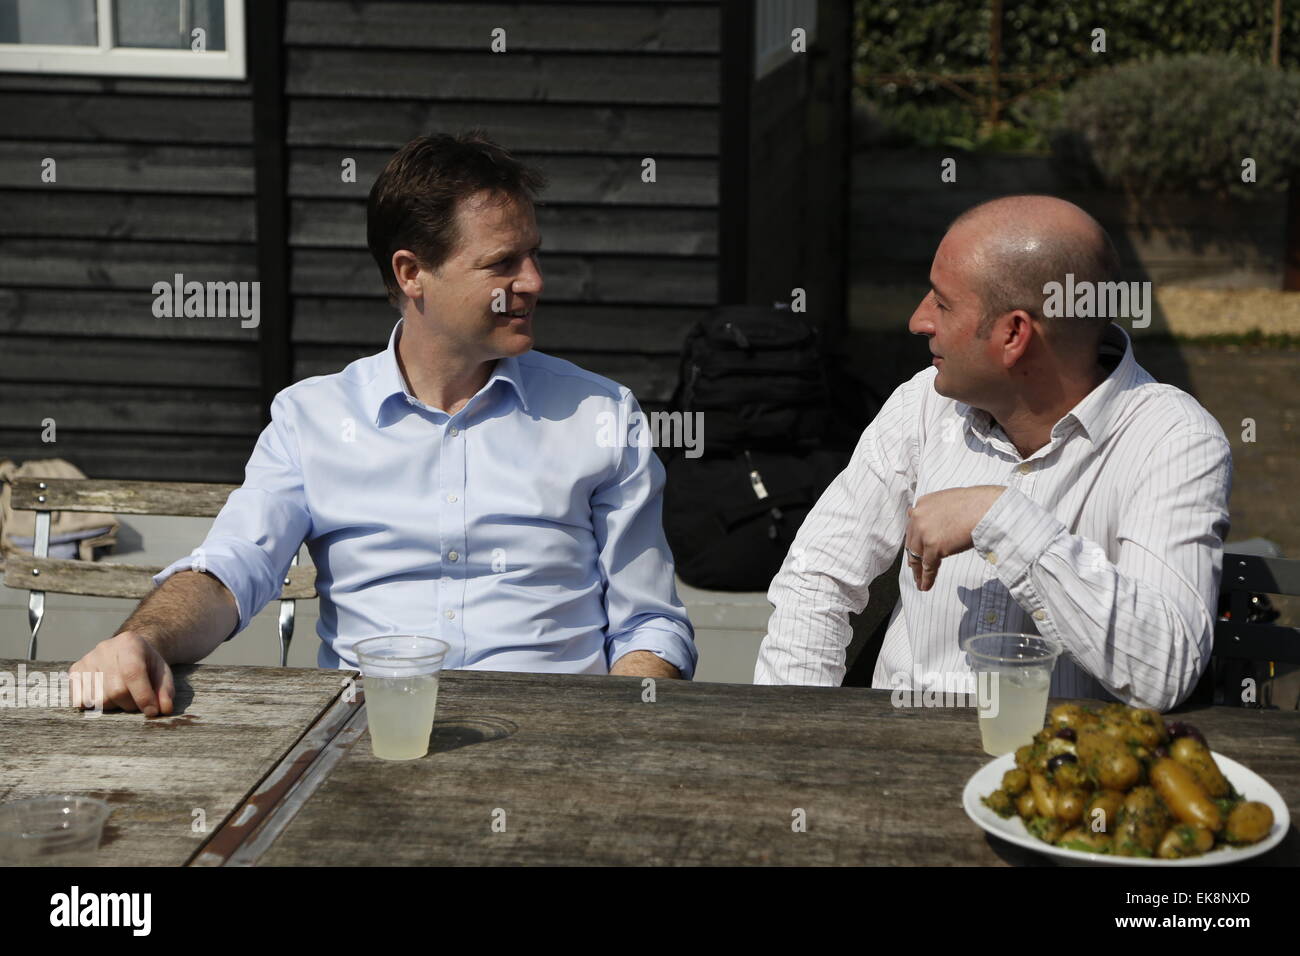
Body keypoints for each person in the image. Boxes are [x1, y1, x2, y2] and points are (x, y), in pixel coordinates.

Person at [71, 131, 696, 716]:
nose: (533, 281)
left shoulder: (600, 415)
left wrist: (613, 735)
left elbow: (650, 623)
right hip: (370, 746)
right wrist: (143, 640)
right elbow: (233, 572)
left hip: (555, 744)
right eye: (503, 262)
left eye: (533, 254)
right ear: (411, 273)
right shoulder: (310, 419)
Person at [754, 195, 1231, 711]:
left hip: (1055, 779)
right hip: (895, 763)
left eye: (942, 302)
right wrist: (796, 734)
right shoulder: (921, 404)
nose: (918, 321)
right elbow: (816, 580)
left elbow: (1162, 671)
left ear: (1014, 334)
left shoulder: (1174, 439)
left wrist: (1000, 517)